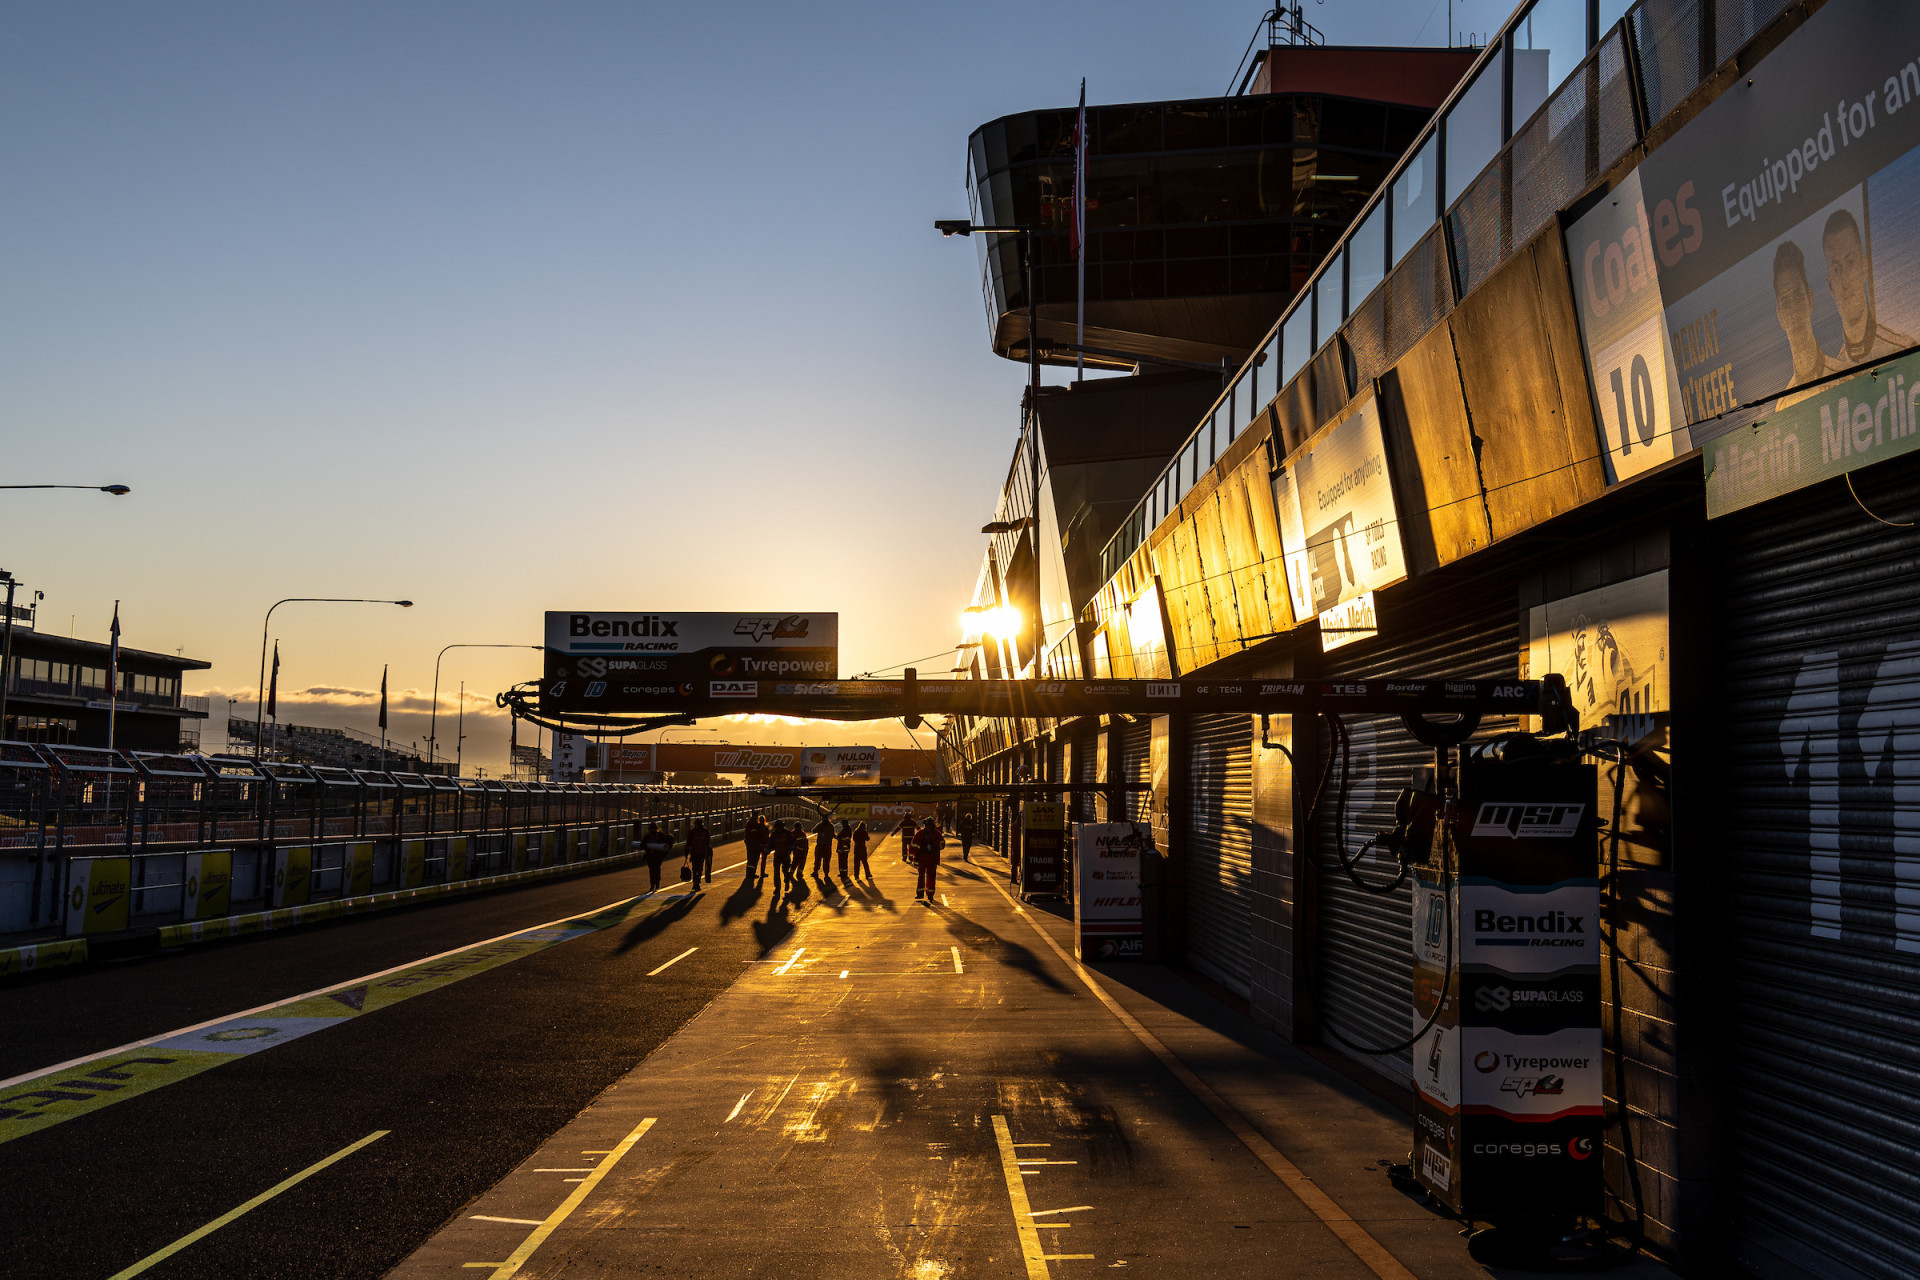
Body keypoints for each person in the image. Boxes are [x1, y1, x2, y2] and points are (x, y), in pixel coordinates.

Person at [1823, 208, 1914, 368]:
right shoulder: (1835, 376)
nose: (1846, 280)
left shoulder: (1903, 349)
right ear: (1830, 285)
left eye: (1850, 262)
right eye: (1837, 269)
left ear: (1864, 267)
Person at [912, 816, 943, 903]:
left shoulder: (920, 833)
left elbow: (914, 846)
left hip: (922, 859)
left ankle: (920, 894)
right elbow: (942, 845)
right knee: (931, 877)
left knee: (921, 876)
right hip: (932, 859)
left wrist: (914, 858)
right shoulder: (937, 834)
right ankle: (930, 895)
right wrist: (935, 848)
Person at [642, 822, 672, 891]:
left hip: (657, 856)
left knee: (656, 869)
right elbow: (643, 844)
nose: (653, 830)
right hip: (650, 856)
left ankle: (657, 884)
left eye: (654, 828)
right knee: (652, 870)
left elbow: (667, 841)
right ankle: (653, 885)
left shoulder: (660, 835)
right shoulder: (648, 836)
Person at [687, 817, 712, 886]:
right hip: (702, 852)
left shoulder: (692, 832)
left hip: (695, 852)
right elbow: (708, 842)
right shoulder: (705, 831)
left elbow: (688, 843)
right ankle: (697, 880)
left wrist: (686, 853)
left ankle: (696, 882)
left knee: (695, 868)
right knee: (699, 867)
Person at [770, 820, 793, 885]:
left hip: (785, 855)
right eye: (777, 827)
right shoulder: (774, 834)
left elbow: (793, 842)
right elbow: (770, 843)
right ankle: (777, 886)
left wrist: (791, 849)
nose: (778, 829)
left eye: (780, 827)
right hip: (777, 855)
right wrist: (767, 848)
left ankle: (787, 880)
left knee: (785, 870)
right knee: (776, 871)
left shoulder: (787, 833)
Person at [743, 814, 766, 879]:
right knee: (753, 858)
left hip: (750, 842)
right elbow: (755, 835)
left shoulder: (749, 822)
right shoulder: (754, 824)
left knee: (750, 858)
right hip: (753, 844)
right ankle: (751, 874)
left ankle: (749, 873)